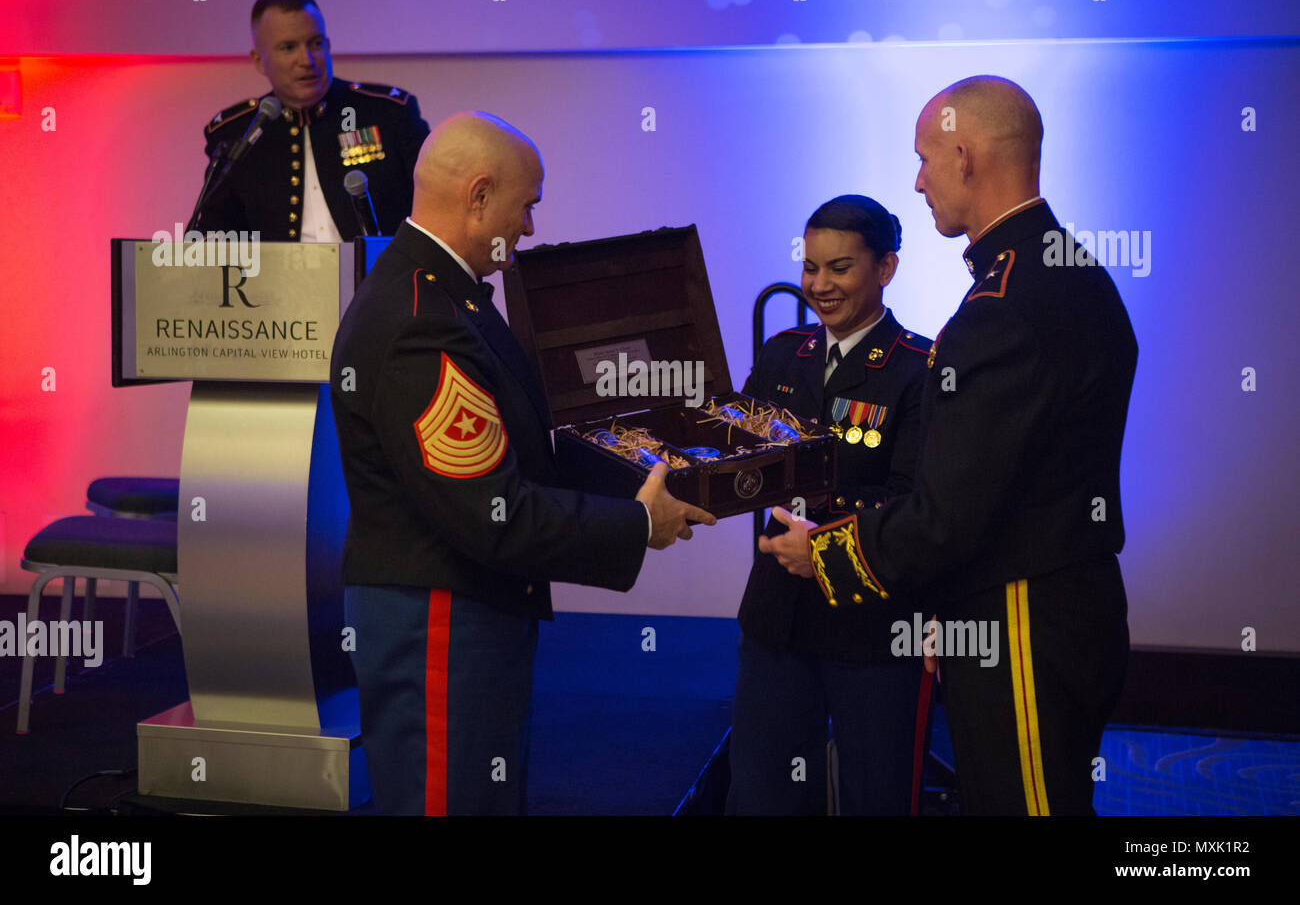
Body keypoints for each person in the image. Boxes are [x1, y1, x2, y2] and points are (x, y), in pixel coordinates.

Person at [760, 76, 1137, 815]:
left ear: (964, 156)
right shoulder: (1063, 269)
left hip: (1022, 613)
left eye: (926, 160)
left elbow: (948, 514)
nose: (919, 182)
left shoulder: (1001, 307)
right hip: (1053, 598)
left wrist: (827, 552)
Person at [330, 111, 715, 815]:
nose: (533, 227)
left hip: (461, 607)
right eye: (527, 204)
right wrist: (635, 524)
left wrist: (647, 472)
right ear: (479, 196)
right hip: (440, 620)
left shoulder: (446, 295)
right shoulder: (424, 318)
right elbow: (491, 512)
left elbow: (525, 446)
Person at [727, 195, 933, 815]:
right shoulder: (783, 354)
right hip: (777, 618)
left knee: (875, 794)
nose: (819, 285)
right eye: (810, 267)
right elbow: (741, 458)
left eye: (839, 268)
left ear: (886, 269)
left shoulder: (921, 368)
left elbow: (913, 501)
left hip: (869, 624)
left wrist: (819, 540)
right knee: (763, 794)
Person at [196, 0, 430, 240]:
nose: (306, 59)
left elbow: (437, 207)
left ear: (328, 46)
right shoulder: (238, 132)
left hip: (380, 276)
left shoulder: (386, 112)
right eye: (288, 47)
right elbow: (214, 237)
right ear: (259, 61)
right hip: (278, 278)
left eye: (316, 43)